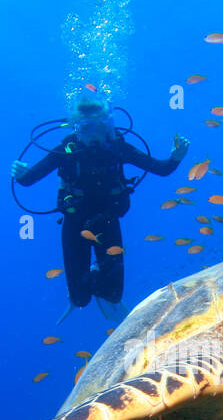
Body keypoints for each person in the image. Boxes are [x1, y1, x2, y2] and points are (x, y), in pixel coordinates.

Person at [11, 95, 189, 321]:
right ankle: (84, 284)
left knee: (114, 295)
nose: (93, 134)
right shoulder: (68, 148)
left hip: (108, 219)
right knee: (80, 300)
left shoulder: (118, 147)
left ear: (109, 125)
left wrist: (176, 157)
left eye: (100, 126)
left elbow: (160, 169)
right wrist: (20, 174)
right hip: (74, 223)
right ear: (77, 128)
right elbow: (29, 179)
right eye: (86, 127)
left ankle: (95, 275)